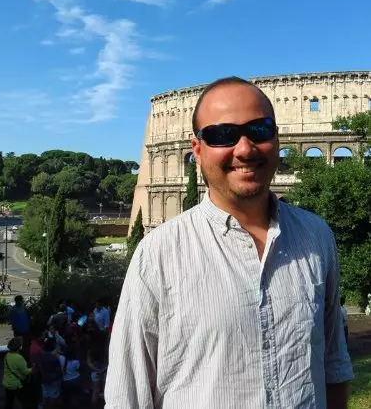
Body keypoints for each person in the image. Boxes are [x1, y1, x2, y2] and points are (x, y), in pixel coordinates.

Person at [105, 77, 354, 409]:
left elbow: (334, 365)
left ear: (277, 139)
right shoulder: (158, 254)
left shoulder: (317, 237)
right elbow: (128, 398)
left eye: (260, 130)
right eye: (223, 135)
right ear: (197, 150)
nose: (245, 149)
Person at [2, 337, 32, 409]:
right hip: (16, 384)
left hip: (7, 383)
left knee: (9, 402)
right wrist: (33, 368)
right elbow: (26, 372)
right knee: (25, 402)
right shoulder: (19, 358)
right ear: (19, 347)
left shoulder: (7, 356)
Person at [39, 336, 62, 408]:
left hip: (44, 378)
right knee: (53, 396)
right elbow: (58, 368)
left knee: (45, 394)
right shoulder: (54, 357)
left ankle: (42, 406)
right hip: (54, 379)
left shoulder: (42, 355)